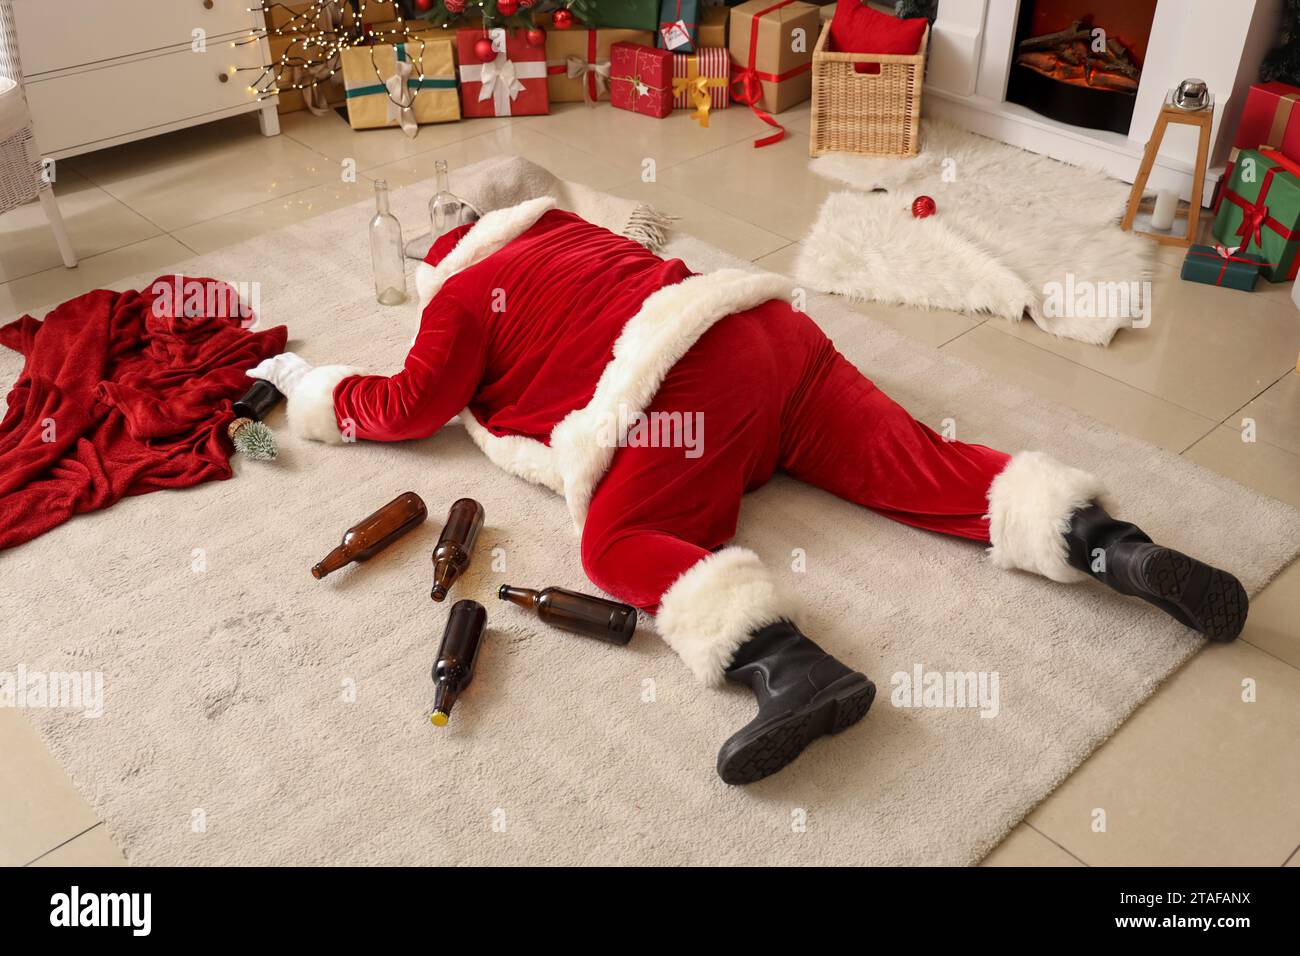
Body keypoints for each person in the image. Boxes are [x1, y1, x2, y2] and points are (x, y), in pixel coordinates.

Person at [250, 199, 1248, 784]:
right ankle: (1106, 543)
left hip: (676, 385)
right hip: (768, 338)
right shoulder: (568, 230)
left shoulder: (461, 296)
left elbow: (412, 402)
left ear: (441, 263)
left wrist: (311, 386)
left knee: (620, 539)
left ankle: (782, 665)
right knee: (917, 464)